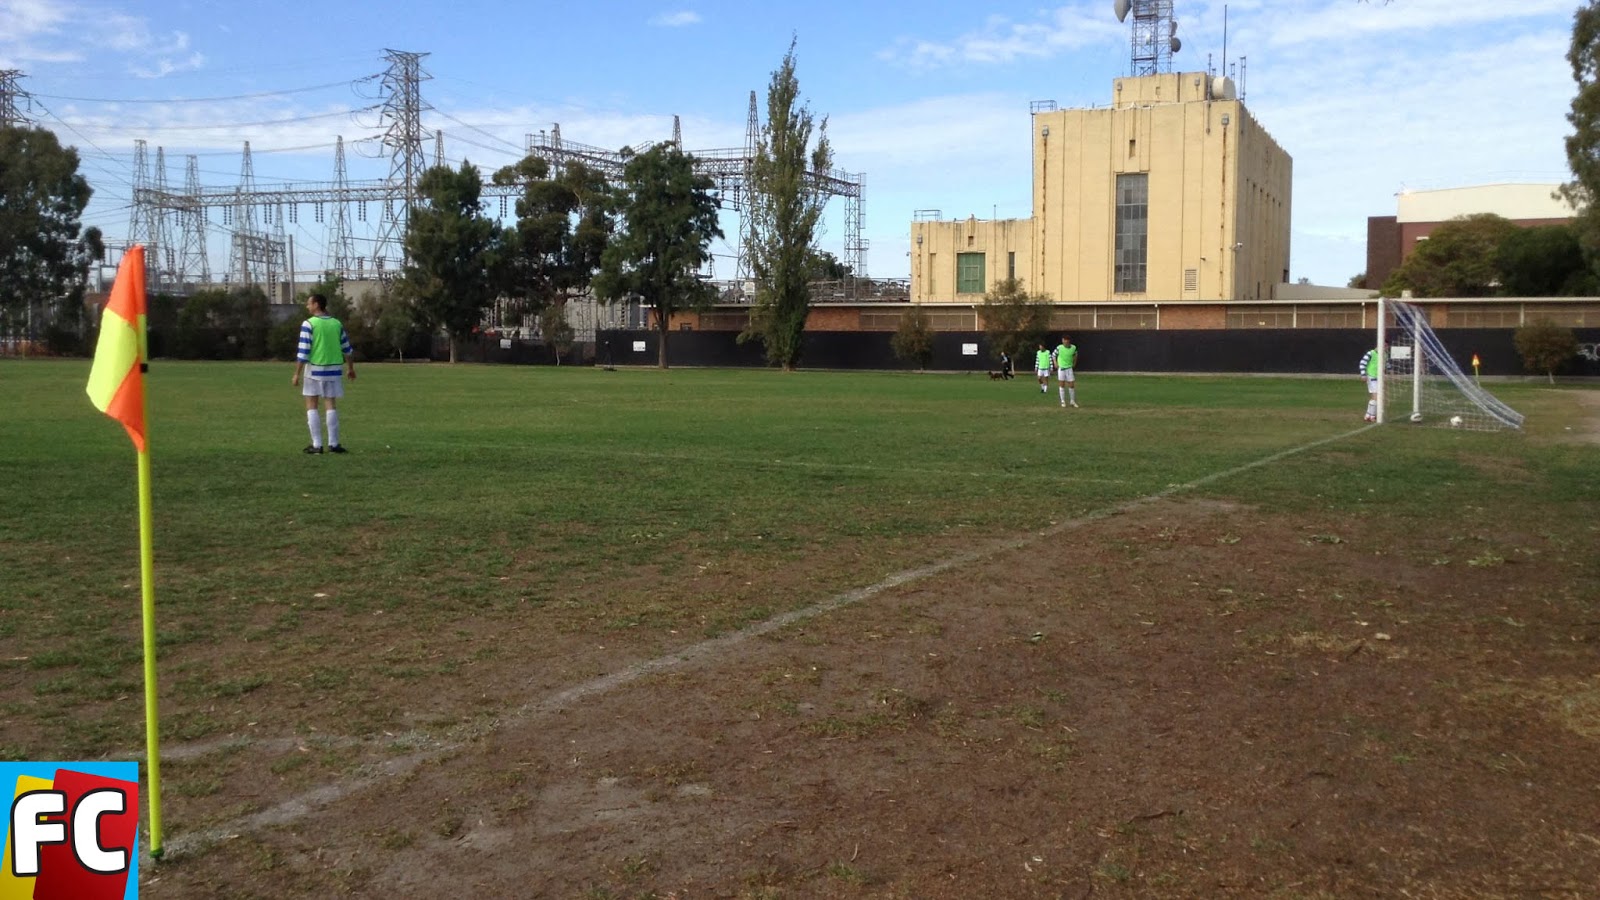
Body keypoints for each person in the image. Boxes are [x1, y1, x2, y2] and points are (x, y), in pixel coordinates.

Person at [291, 293, 356, 454]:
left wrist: (296, 373)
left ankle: (317, 444)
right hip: (334, 370)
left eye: (309, 303)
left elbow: (303, 351)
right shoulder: (336, 323)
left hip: (314, 370)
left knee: (311, 404)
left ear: (317, 305)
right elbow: (347, 348)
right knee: (330, 404)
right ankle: (334, 444)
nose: (307, 306)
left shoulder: (309, 324)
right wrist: (350, 368)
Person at [1054, 334, 1079, 408]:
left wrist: (1074, 363)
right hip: (1061, 368)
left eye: (1066, 341)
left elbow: (1075, 355)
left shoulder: (1073, 348)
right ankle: (1062, 401)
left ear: (1069, 341)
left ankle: (1072, 401)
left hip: (1069, 368)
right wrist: (1055, 363)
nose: (1065, 343)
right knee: (1062, 384)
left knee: (1071, 385)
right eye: (1063, 341)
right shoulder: (1059, 348)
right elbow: (1053, 355)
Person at [1359, 346, 1380, 422]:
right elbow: (1362, 363)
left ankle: (1368, 415)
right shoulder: (1371, 353)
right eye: (1384, 346)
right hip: (1371, 377)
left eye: (1386, 347)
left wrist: (1390, 371)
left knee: (1375, 397)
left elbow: (1386, 363)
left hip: (1379, 378)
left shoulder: (1384, 354)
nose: (1385, 348)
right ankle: (1372, 416)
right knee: (1376, 396)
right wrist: (1363, 374)